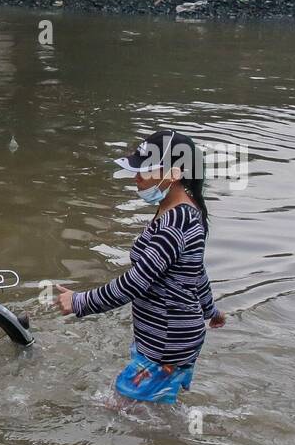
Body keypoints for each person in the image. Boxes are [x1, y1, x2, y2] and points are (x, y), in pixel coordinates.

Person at [57, 130, 226, 403]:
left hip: (167, 342)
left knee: (120, 408)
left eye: (145, 170)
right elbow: (195, 272)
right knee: (150, 409)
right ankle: (169, 437)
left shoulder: (175, 224)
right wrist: (211, 310)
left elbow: (136, 281)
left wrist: (80, 302)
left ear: (174, 173)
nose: (136, 177)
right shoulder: (178, 210)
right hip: (170, 337)